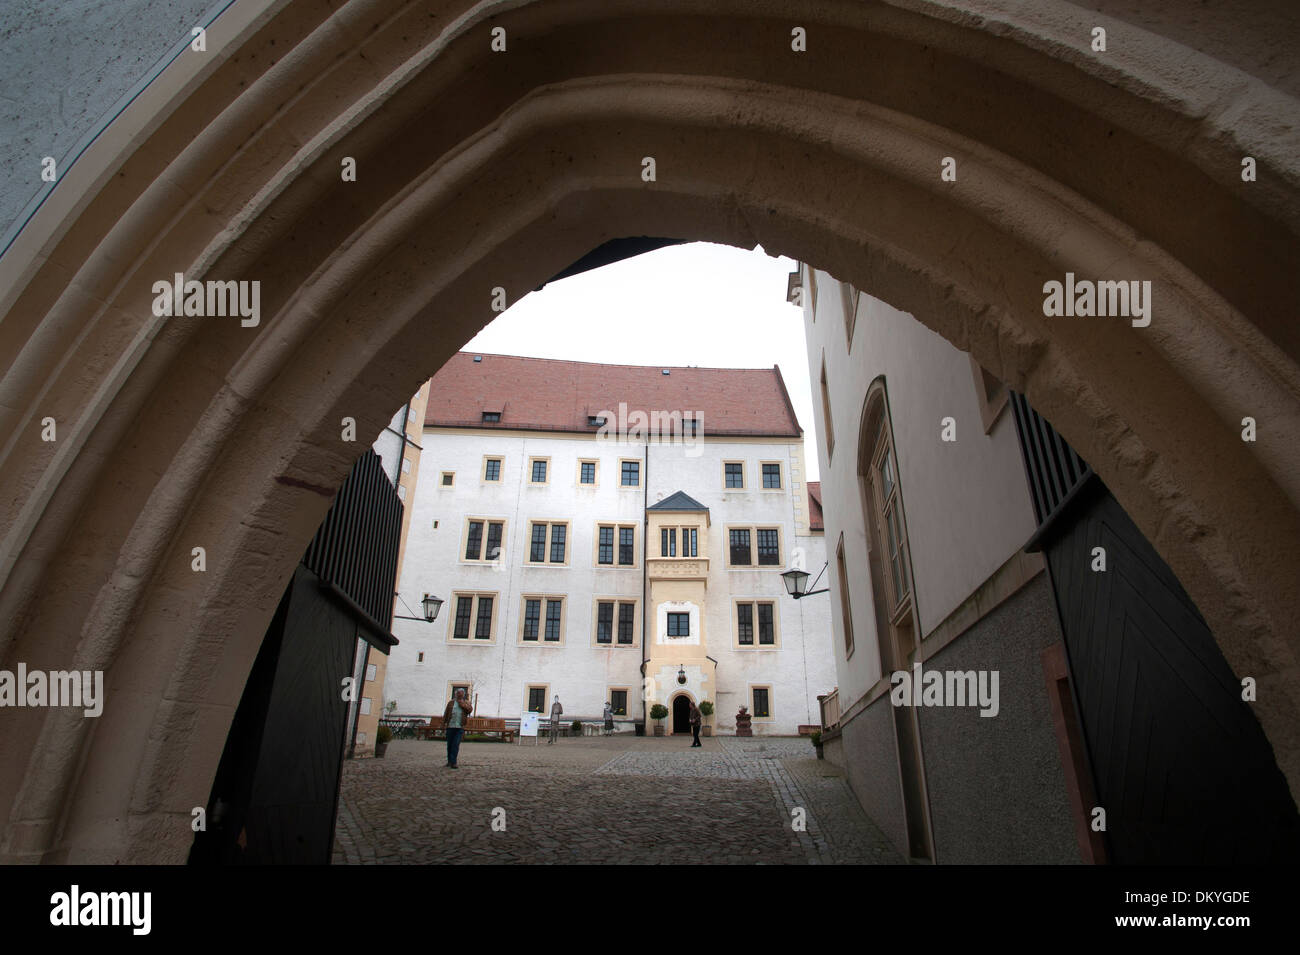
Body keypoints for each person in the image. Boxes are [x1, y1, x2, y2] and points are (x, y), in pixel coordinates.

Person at [443, 688, 472, 768]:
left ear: (463, 695)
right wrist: (443, 724)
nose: (460, 695)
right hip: (450, 726)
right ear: (455, 694)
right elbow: (446, 714)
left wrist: (462, 704)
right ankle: (449, 761)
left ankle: (454, 762)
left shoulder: (466, 702)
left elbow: (469, 710)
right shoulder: (451, 703)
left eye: (461, 693)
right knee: (450, 745)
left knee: (455, 744)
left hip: (460, 727)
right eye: (458, 693)